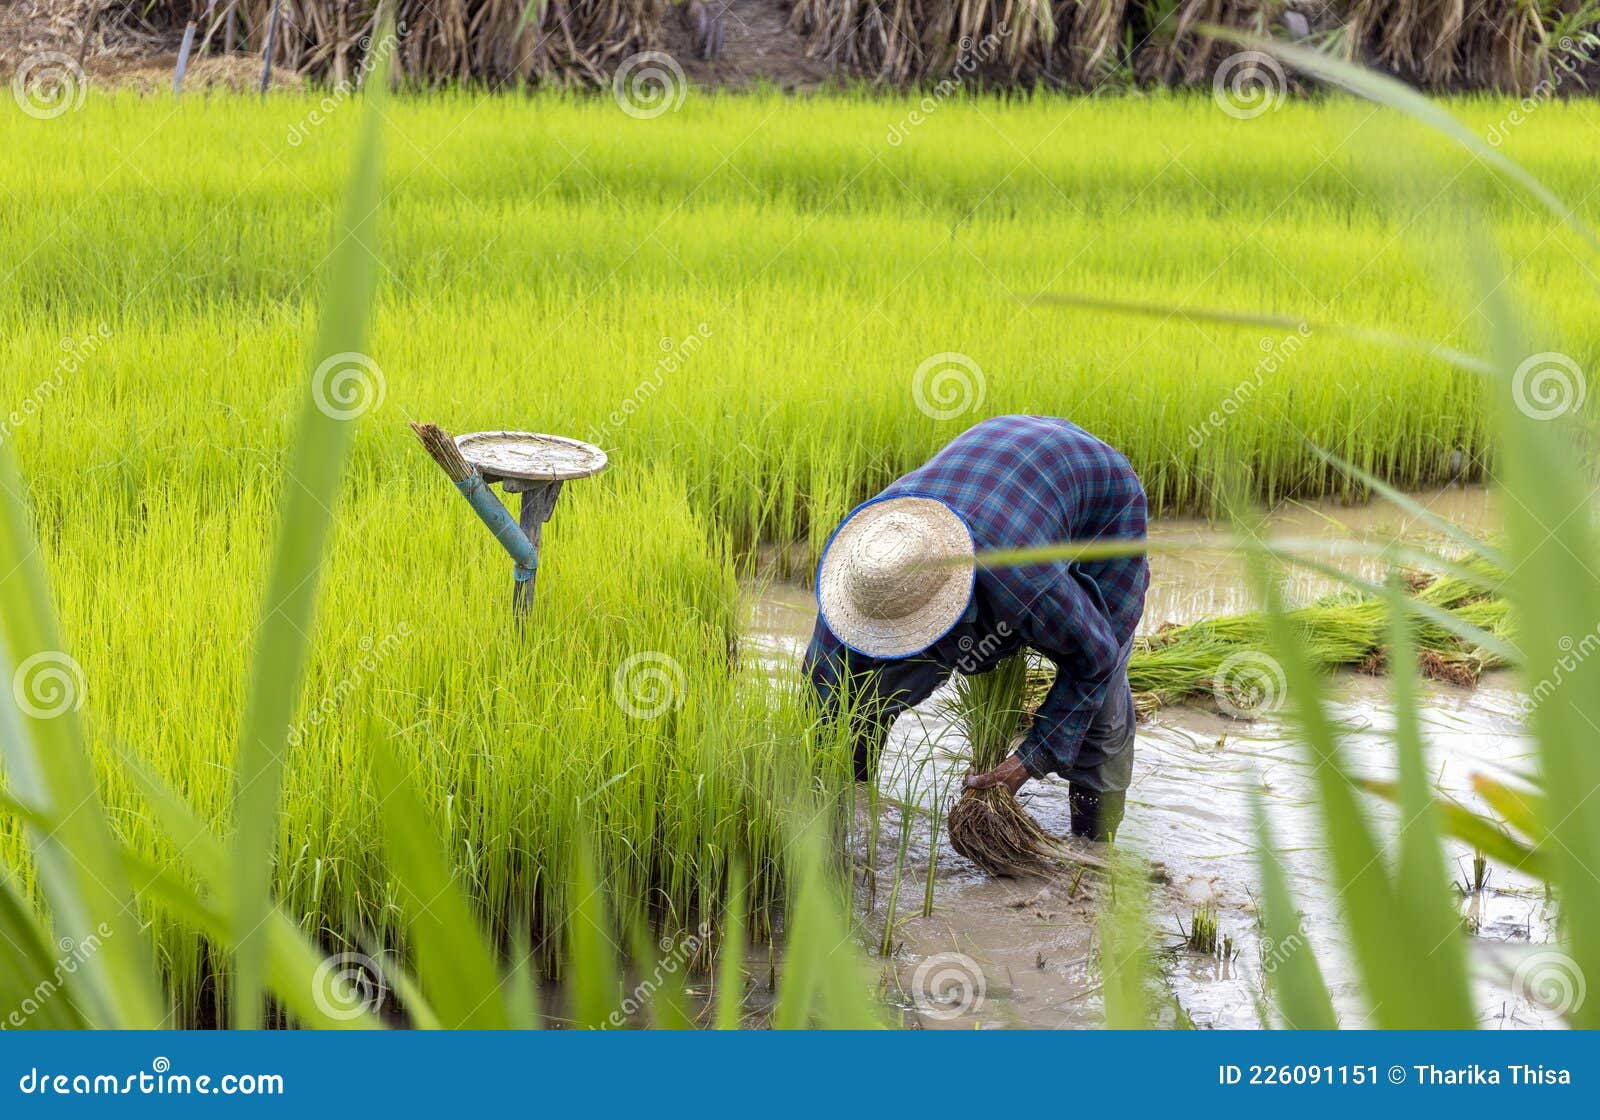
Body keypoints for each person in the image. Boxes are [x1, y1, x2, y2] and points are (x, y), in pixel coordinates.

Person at [803, 415, 1149, 841]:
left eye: (914, 627)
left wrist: (1030, 759)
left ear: (951, 603)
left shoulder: (1024, 580)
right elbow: (823, 702)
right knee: (860, 698)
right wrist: (827, 800)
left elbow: (1094, 658)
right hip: (992, 472)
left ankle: (1094, 853)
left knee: (1102, 706)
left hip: (1099, 498)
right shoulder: (861, 572)